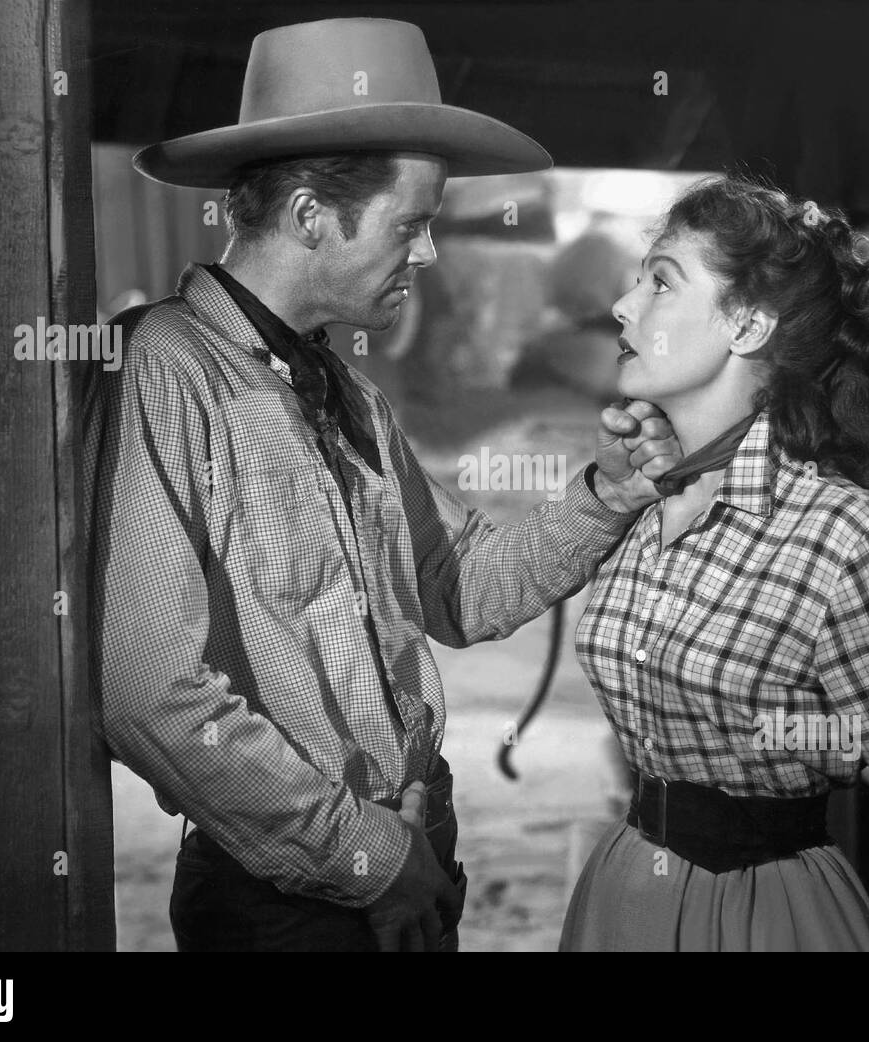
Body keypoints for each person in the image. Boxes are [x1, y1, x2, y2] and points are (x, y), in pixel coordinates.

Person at [82, 18, 682, 953]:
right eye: (413, 222)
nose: (430, 252)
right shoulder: (167, 369)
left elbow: (459, 588)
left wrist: (607, 491)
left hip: (410, 860)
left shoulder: (348, 392)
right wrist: (366, 852)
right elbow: (150, 693)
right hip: (288, 904)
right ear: (314, 212)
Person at [560, 175, 869, 952]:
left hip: (766, 917)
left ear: (749, 324)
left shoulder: (838, 539)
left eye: (660, 282)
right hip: (624, 899)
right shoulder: (645, 499)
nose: (624, 307)